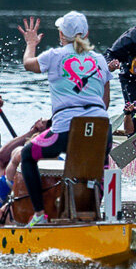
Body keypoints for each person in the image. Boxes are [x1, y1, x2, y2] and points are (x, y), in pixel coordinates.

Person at [18, 11, 113, 226]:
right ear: (86, 33)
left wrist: (31, 43)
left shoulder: (53, 56)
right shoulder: (100, 60)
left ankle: (41, 214)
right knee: (100, 160)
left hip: (66, 131)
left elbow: (27, 64)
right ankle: (99, 211)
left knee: (27, 155)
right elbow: (104, 102)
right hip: (100, 130)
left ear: (61, 35)